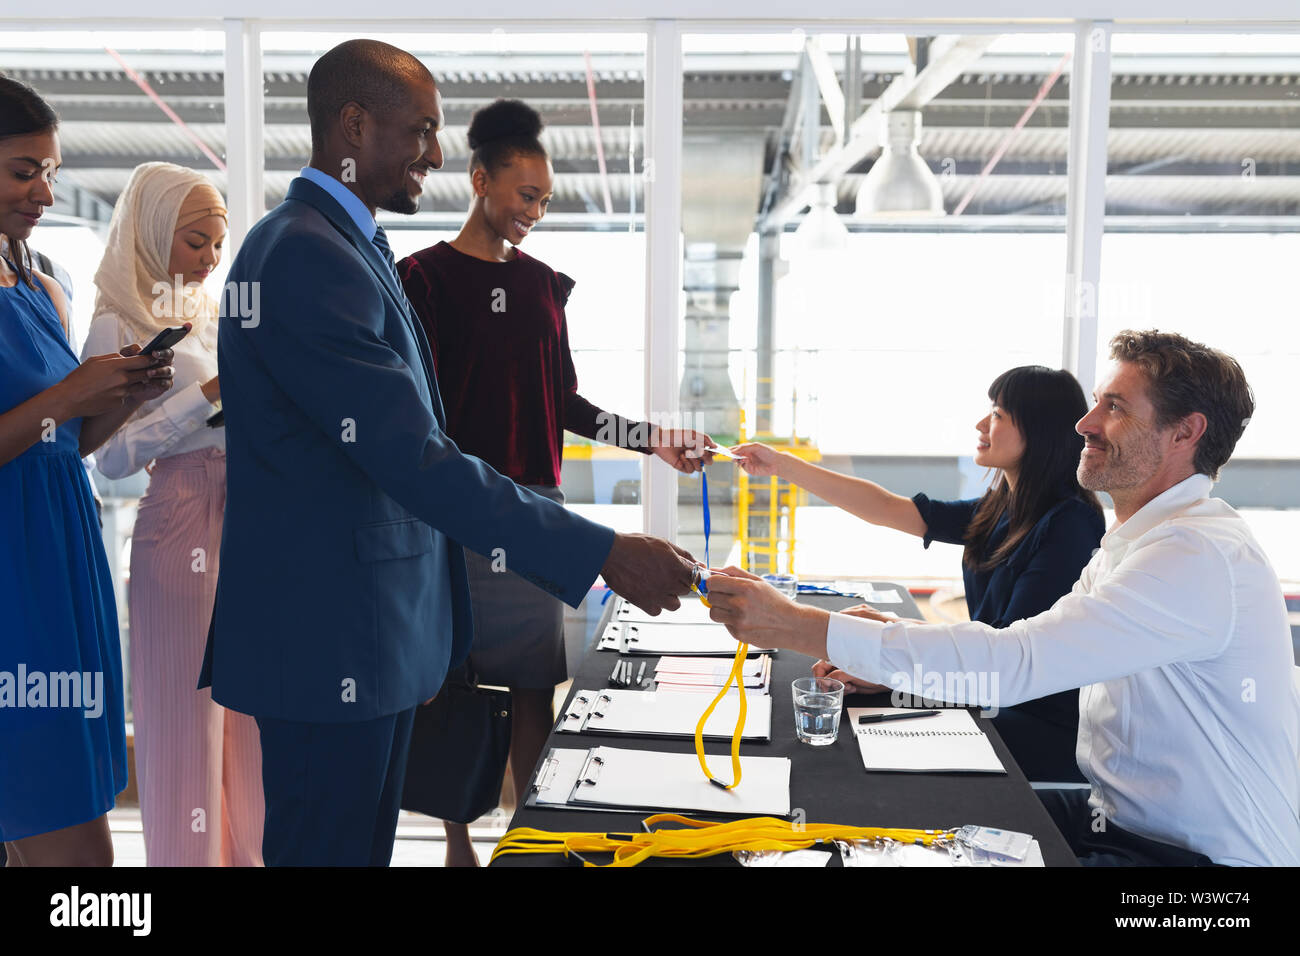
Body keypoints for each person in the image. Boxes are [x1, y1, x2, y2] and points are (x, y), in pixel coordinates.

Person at [199, 39, 698, 867]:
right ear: (353, 124)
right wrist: (602, 549)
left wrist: (644, 448)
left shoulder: (345, 242)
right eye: (422, 129)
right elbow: (413, 455)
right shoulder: (303, 253)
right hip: (333, 638)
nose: (435, 152)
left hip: (374, 628)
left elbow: (527, 413)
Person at [706, 330, 1300, 866]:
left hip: (1202, 868)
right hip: (1118, 824)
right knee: (886, 826)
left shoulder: (1193, 555)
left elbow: (1017, 664)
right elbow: (1012, 650)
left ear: (1185, 432)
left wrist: (796, 625)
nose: (1085, 424)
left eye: (1114, 407)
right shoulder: (1137, 540)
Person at [398, 98, 714, 866]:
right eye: (523, 195)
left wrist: (650, 441)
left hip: (536, 508)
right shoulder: (421, 280)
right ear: (479, 180)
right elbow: (412, 412)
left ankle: (534, 837)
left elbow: (562, 402)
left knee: (535, 680)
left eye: (543, 199)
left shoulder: (544, 286)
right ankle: (457, 840)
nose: (534, 211)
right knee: (448, 683)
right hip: (452, 507)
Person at [733, 366, 1104, 782]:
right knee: (855, 698)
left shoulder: (1069, 525)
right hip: (980, 682)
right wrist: (782, 465)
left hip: (1025, 714)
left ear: (1039, 431)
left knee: (867, 728)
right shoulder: (1003, 506)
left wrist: (889, 650)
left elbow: (1008, 657)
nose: (982, 424)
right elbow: (890, 509)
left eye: (998, 416)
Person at [0, 76, 176, 866]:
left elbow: (60, 444)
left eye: (49, 171)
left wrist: (121, 397)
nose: (43, 191)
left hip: (60, 561)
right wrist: (72, 390)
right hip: (13, 583)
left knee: (58, 799)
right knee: (70, 839)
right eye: (21, 171)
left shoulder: (42, 283)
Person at [82, 162, 264, 866]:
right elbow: (111, 457)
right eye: (196, 242)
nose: (210, 259)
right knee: (185, 727)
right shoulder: (117, 322)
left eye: (218, 243)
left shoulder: (208, 315)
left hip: (246, 520)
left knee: (248, 726)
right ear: (154, 233)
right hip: (179, 519)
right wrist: (209, 393)